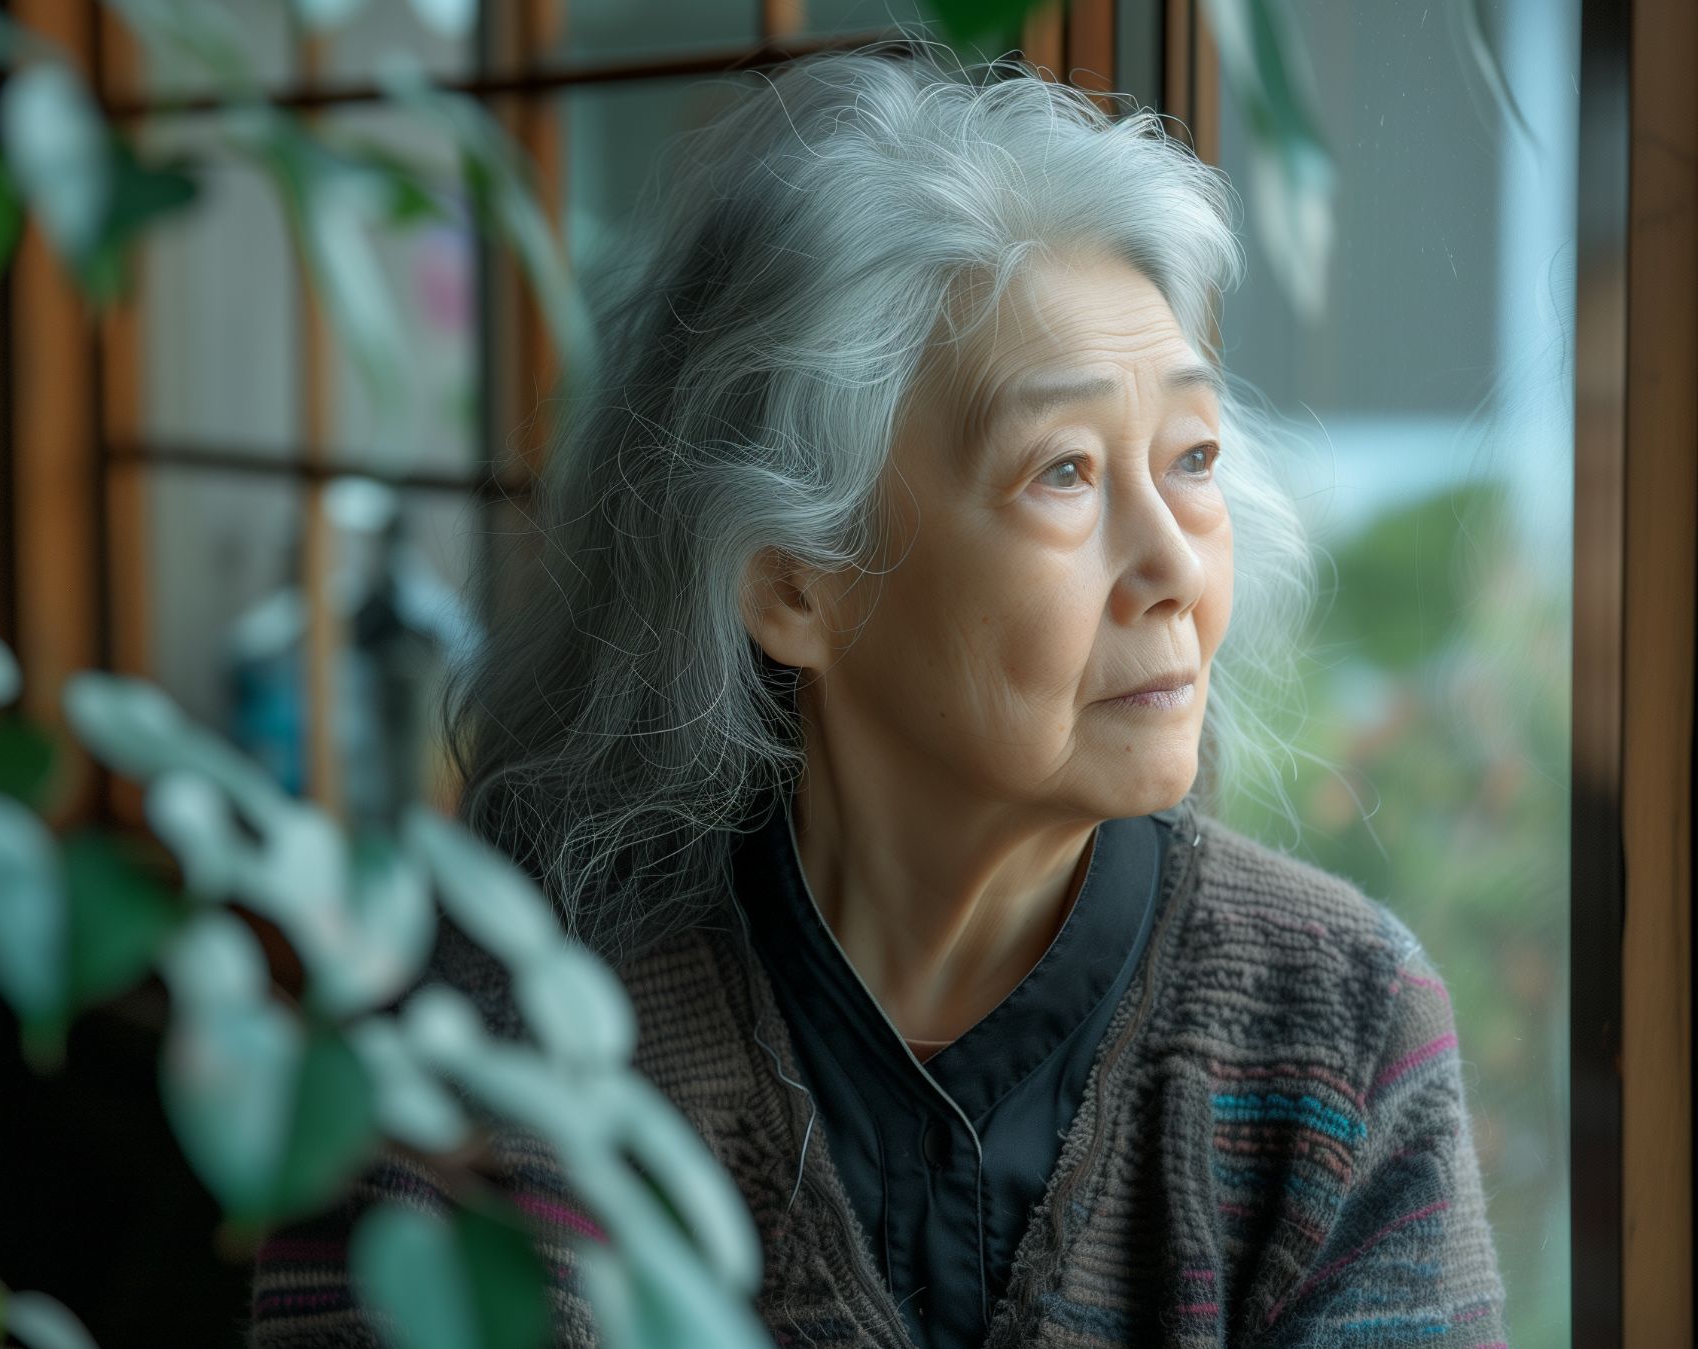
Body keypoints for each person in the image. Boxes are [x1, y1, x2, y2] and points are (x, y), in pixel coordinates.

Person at [251, 39, 1507, 1348]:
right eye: (1064, 473)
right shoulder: (503, 1029)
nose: (1176, 566)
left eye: (1191, 455)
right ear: (797, 580)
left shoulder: (1340, 1033)